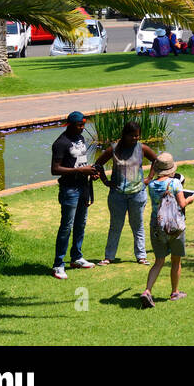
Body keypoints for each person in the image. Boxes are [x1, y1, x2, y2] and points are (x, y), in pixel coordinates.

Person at [94, 121, 159, 266]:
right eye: (132, 136)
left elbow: (156, 160)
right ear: (124, 135)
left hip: (137, 193)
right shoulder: (114, 149)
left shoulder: (142, 148)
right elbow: (98, 164)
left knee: (138, 225)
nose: (135, 138)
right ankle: (109, 257)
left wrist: (149, 178)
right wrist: (105, 181)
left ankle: (141, 256)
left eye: (137, 136)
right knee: (115, 226)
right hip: (117, 195)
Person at [140, 152, 194, 308]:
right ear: (171, 169)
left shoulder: (151, 185)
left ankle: (147, 291)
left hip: (157, 227)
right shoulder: (175, 184)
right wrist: (190, 199)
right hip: (175, 227)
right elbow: (182, 204)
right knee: (176, 261)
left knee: (158, 261)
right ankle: (175, 292)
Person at [50, 110, 100, 279]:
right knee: (66, 226)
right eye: (79, 125)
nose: (82, 128)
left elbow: (81, 162)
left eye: (83, 125)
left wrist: (90, 172)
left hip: (83, 186)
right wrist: (80, 170)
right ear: (70, 125)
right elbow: (55, 169)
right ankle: (58, 264)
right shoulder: (60, 143)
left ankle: (76, 257)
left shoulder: (81, 138)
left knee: (81, 224)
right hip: (69, 189)